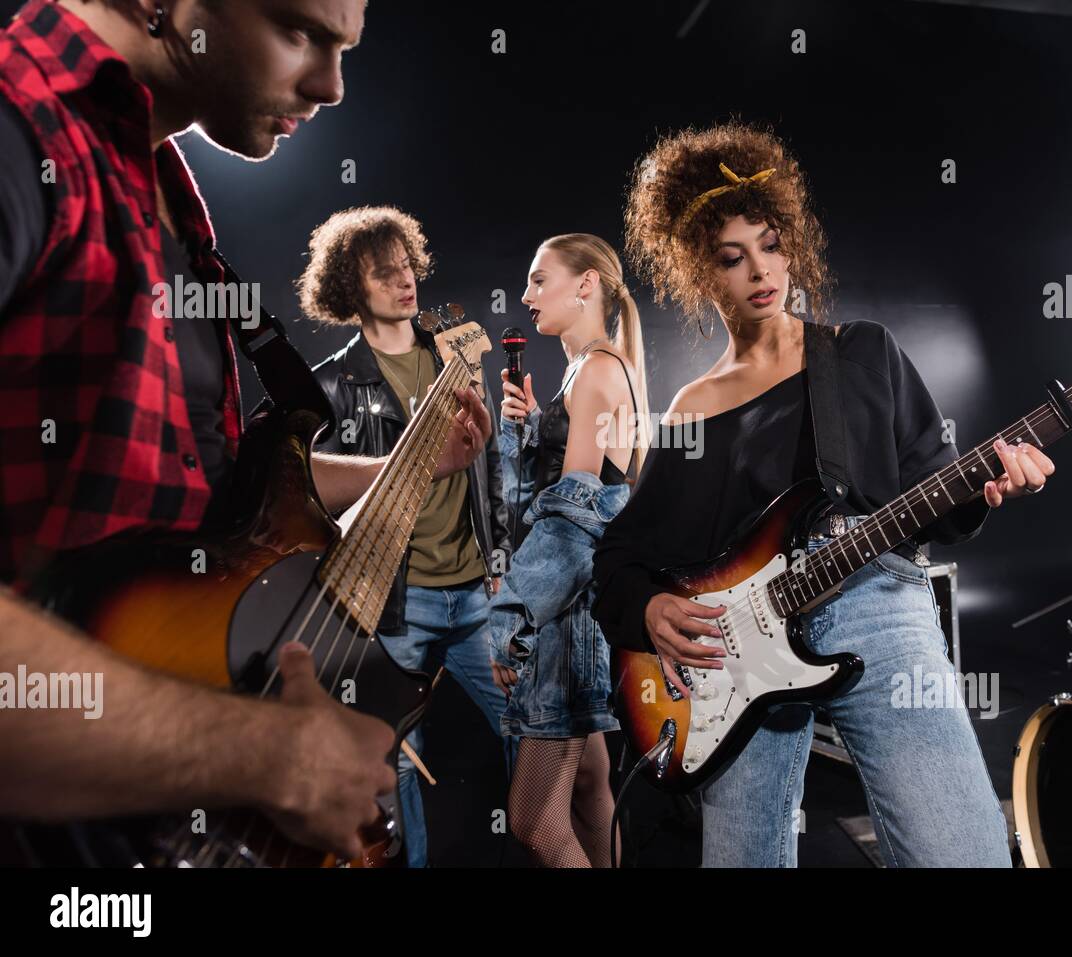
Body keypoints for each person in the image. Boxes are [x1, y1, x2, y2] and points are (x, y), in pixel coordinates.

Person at [0, 0, 487, 860]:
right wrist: (269, 754)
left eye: (345, 47)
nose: (333, 86)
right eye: (299, 31)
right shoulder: (21, 134)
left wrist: (406, 465)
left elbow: (218, 490)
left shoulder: (169, 198)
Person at [593, 121, 1056, 867]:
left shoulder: (862, 352)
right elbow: (622, 554)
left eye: (771, 245)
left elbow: (932, 490)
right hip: (739, 655)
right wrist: (649, 607)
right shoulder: (692, 408)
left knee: (962, 854)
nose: (760, 271)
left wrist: (988, 483)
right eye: (732, 257)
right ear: (700, 273)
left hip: (880, 607)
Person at [302, 205, 514, 867]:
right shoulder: (331, 384)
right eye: (382, 272)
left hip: (478, 594)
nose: (403, 280)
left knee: (533, 726)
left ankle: (541, 843)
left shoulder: (456, 350)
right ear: (347, 289)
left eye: (406, 265)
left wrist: (500, 560)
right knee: (386, 757)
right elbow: (300, 490)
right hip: (395, 602)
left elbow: (493, 465)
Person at [488, 233, 649, 866]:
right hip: (573, 611)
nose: (525, 296)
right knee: (588, 788)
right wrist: (522, 430)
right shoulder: (590, 369)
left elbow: (574, 522)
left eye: (538, 279)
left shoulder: (600, 370)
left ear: (586, 285)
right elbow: (542, 495)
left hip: (563, 619)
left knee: (532, 822)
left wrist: (510, 621)